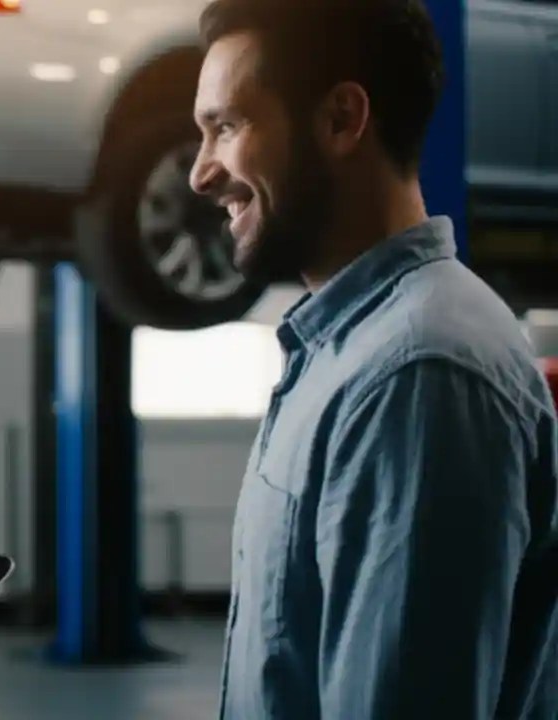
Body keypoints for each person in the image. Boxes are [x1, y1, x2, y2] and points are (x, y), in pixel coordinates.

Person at [189, 0, 558, 717]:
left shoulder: (418, 374)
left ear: (340, 120)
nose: (202, 172)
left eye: (226, 127)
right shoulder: (346, 351)